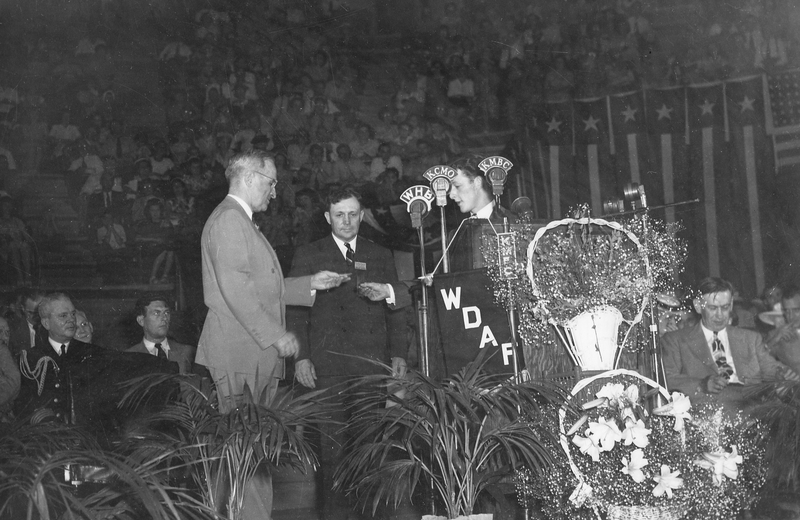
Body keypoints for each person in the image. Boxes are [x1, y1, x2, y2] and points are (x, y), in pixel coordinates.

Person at [195, 150, 349, 520]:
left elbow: (260, 287)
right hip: (241, 355)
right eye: (271, 181)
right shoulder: (231, 221)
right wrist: (276, 335)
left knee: (250, 454)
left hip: (248, 353)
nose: (275, 191)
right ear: (248, 177)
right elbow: (235, 290)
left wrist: (307, 284)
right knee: (244, 455)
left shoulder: (239, 221)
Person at [289, 186, 408, 520]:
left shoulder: (380, 253)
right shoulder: (308, 253)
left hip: (370, 367)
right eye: (339, 214)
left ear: (362, 215)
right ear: (327, 217)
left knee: (369, 452)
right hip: (326, 369)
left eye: (353, 214)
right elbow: (295, 312)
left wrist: (399, 354)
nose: (346, 221)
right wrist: (301, 357)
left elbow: (396, 307)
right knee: (330, 455)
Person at [661, 277, 799, 408]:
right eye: (713, 308)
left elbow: (771, 369)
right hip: (707, 411)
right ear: (698, 306)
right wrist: (703, 384)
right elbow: (667, 378)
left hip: (750, 409)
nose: (720, 315)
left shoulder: (750, 338)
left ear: (731, 304)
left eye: (725, 307)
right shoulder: (676, 340)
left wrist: (781, 376)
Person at [446, 155, 516, 272]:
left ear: (477, 182)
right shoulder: (455, 235)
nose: (451, 195)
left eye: (457, 186)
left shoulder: (512, 223)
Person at [126, 295, 195, 374]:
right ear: (141, 320)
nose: (164, 318)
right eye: (156, 313)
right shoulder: (129, 356)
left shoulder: (187, 352)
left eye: (166, 313)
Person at [766, 284, 800, 374]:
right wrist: (775, 339)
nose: (791, 316)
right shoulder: (776, 335)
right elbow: (755, 363)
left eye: (796, 310)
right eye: (787, 311)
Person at [7, 288, 44, 359]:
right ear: (23, 308)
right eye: (32, 313)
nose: (37, 316)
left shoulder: (50, 327)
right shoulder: (13, 330)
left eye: (40, 312)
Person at [0, 316, 20, 418]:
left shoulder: (5, 353)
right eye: (0, 332)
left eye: (7, 332)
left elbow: (14, 381)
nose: (4, 337)